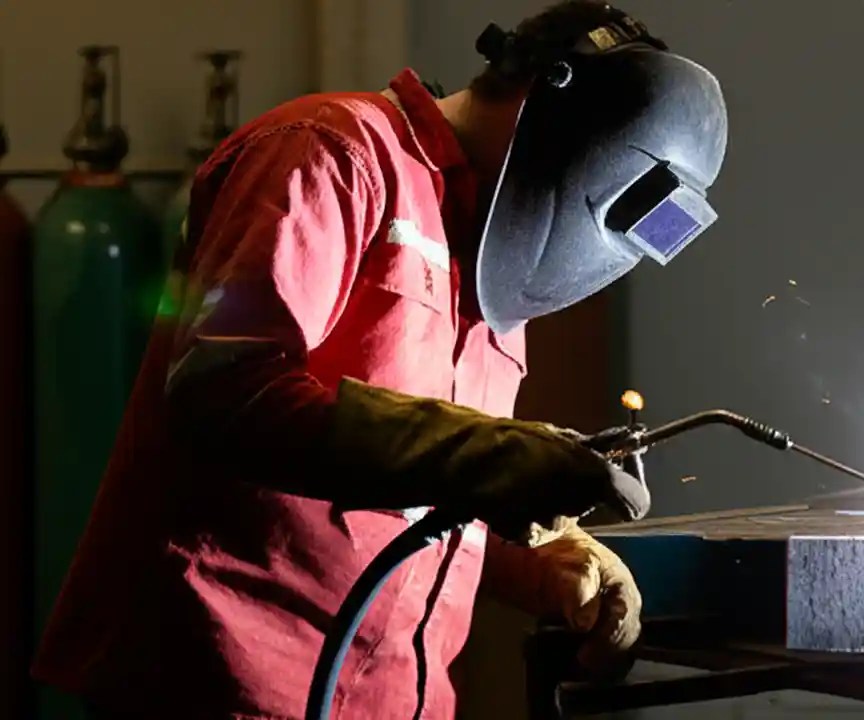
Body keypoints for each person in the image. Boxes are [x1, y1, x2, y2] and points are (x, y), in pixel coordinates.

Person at [31, 2, 728, 718]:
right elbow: (223, 392)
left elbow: (418, 498)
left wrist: (544, 558)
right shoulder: (329, 152)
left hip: (393, 699)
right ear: (546, 103)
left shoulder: (495, 267)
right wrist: (480, 452)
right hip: (222, 679)